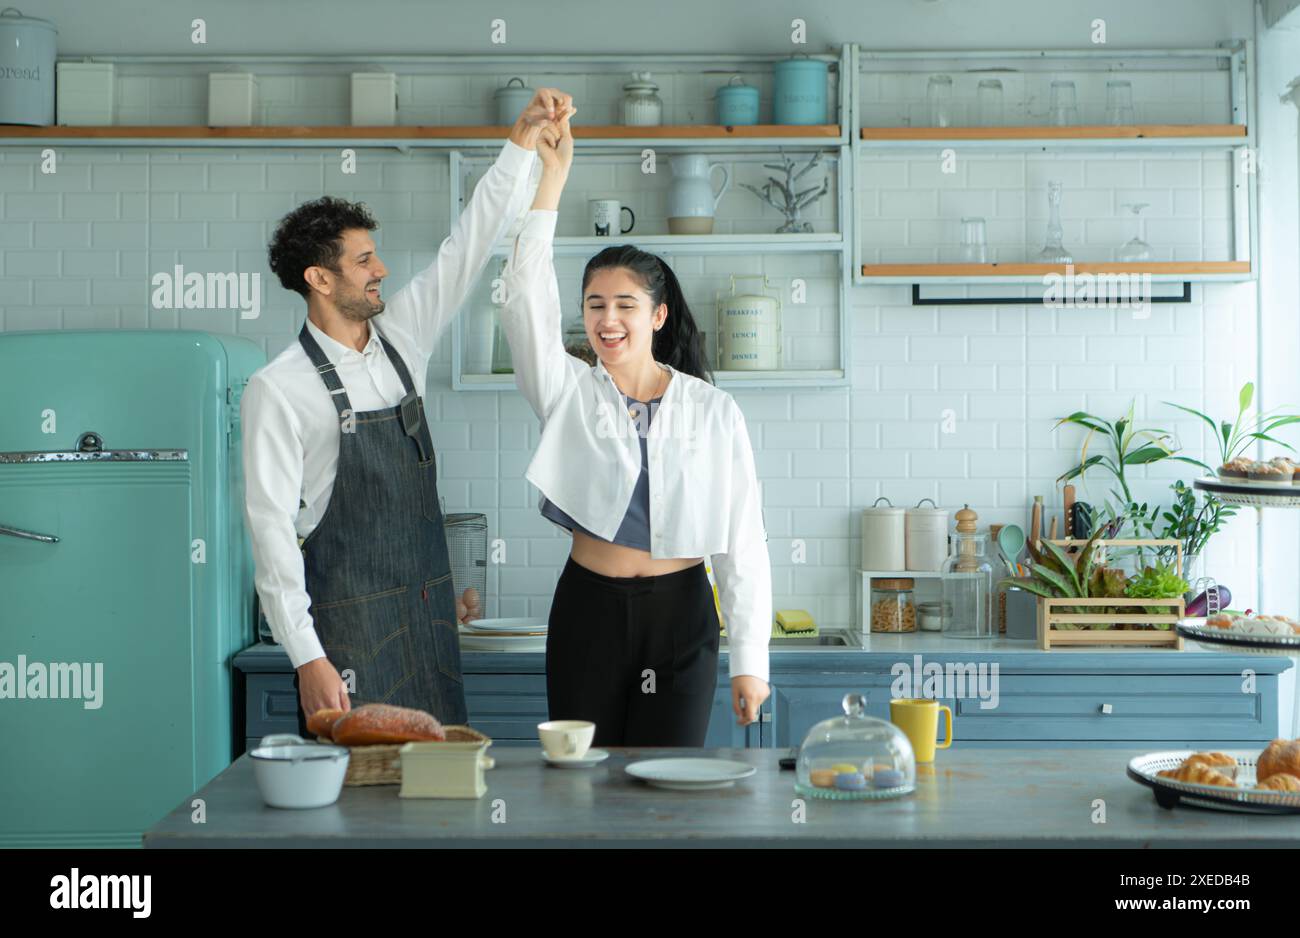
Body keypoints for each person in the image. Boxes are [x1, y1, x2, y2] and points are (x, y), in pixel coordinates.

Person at [242, 89, 571, 733]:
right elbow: (271, 534)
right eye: (364, 259)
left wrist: (521, 143)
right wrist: (307, 656)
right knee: (361, 804)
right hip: (346, 633)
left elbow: (469, 244)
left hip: (429, 621)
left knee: (437, 795)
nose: (381, 269)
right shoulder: (277, 388)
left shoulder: (402, 338)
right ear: (319, 278)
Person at [502, 104, 772, 746]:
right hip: (587, 610)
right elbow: (520, 296)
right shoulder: (568, 391)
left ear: (657, 316)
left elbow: (744, 539)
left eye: (626, 304)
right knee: (579, 786)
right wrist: (552, 178)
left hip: (681, 616)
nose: (608, 319)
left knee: (667, 791)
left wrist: (751, 662)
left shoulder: (713, 409)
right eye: (595, 305)